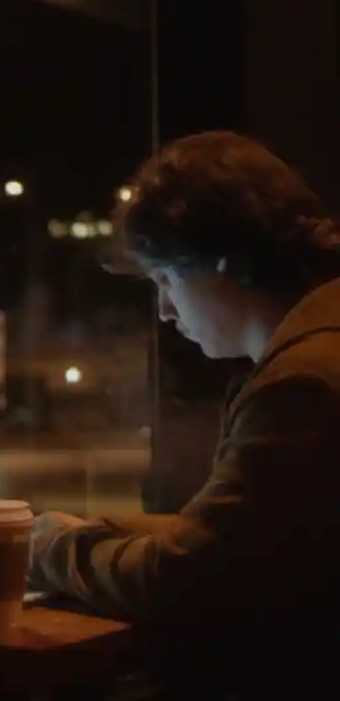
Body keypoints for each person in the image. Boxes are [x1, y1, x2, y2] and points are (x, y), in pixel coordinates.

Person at [28, 131, 340, 697]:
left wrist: (48, 549)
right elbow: (235, 534)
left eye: (168, 279)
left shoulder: (305, 383)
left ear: (222, 261)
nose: (165, 310)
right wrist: (101, 530)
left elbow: (183, 577)